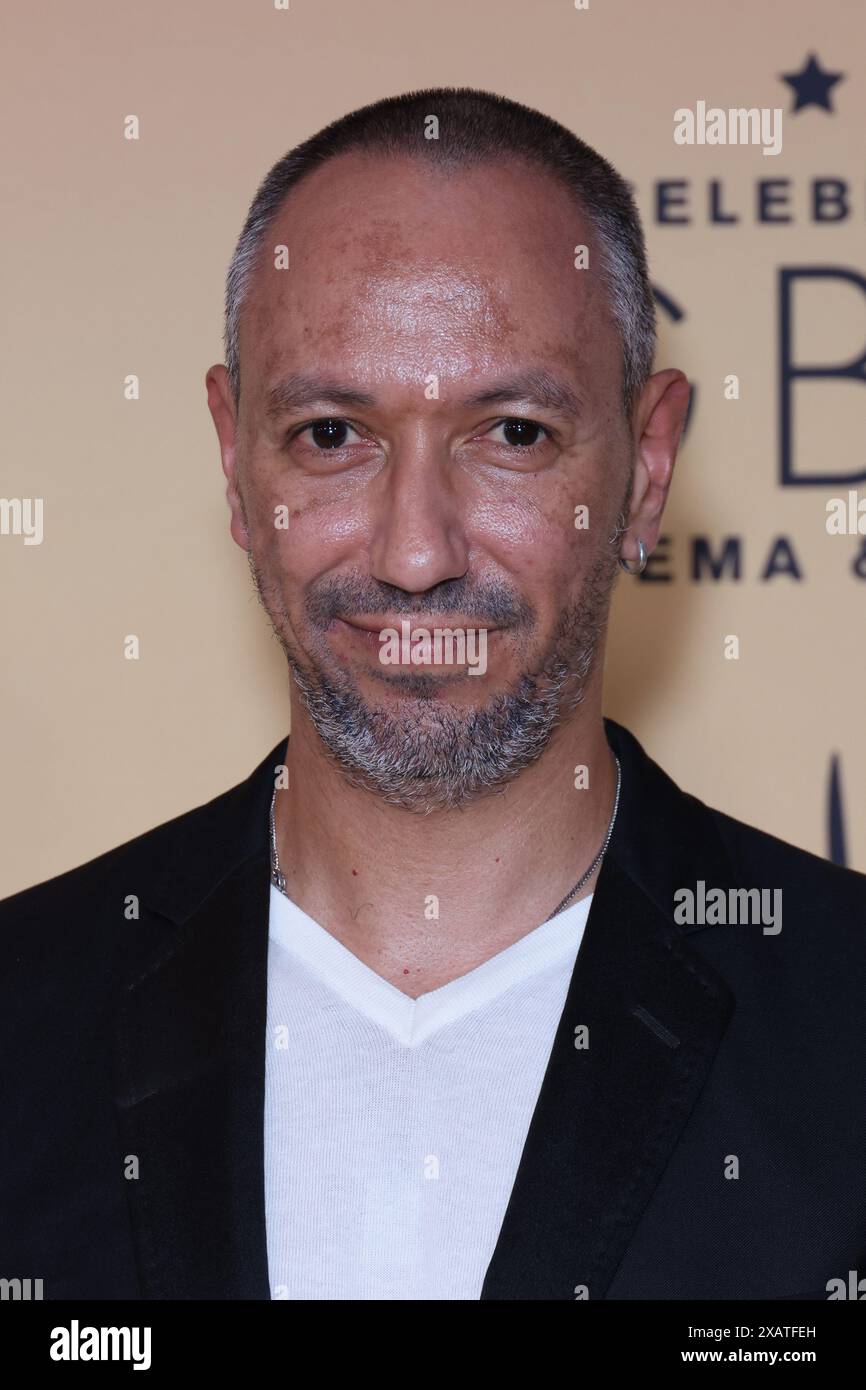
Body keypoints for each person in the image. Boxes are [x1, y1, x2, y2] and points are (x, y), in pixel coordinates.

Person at [2, 87, 865, 1302]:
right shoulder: (26, 1014)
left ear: (644, 466)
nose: (416, 552)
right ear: (233, 460)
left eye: (510, 432)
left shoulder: (842, 1022)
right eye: (328, 434)